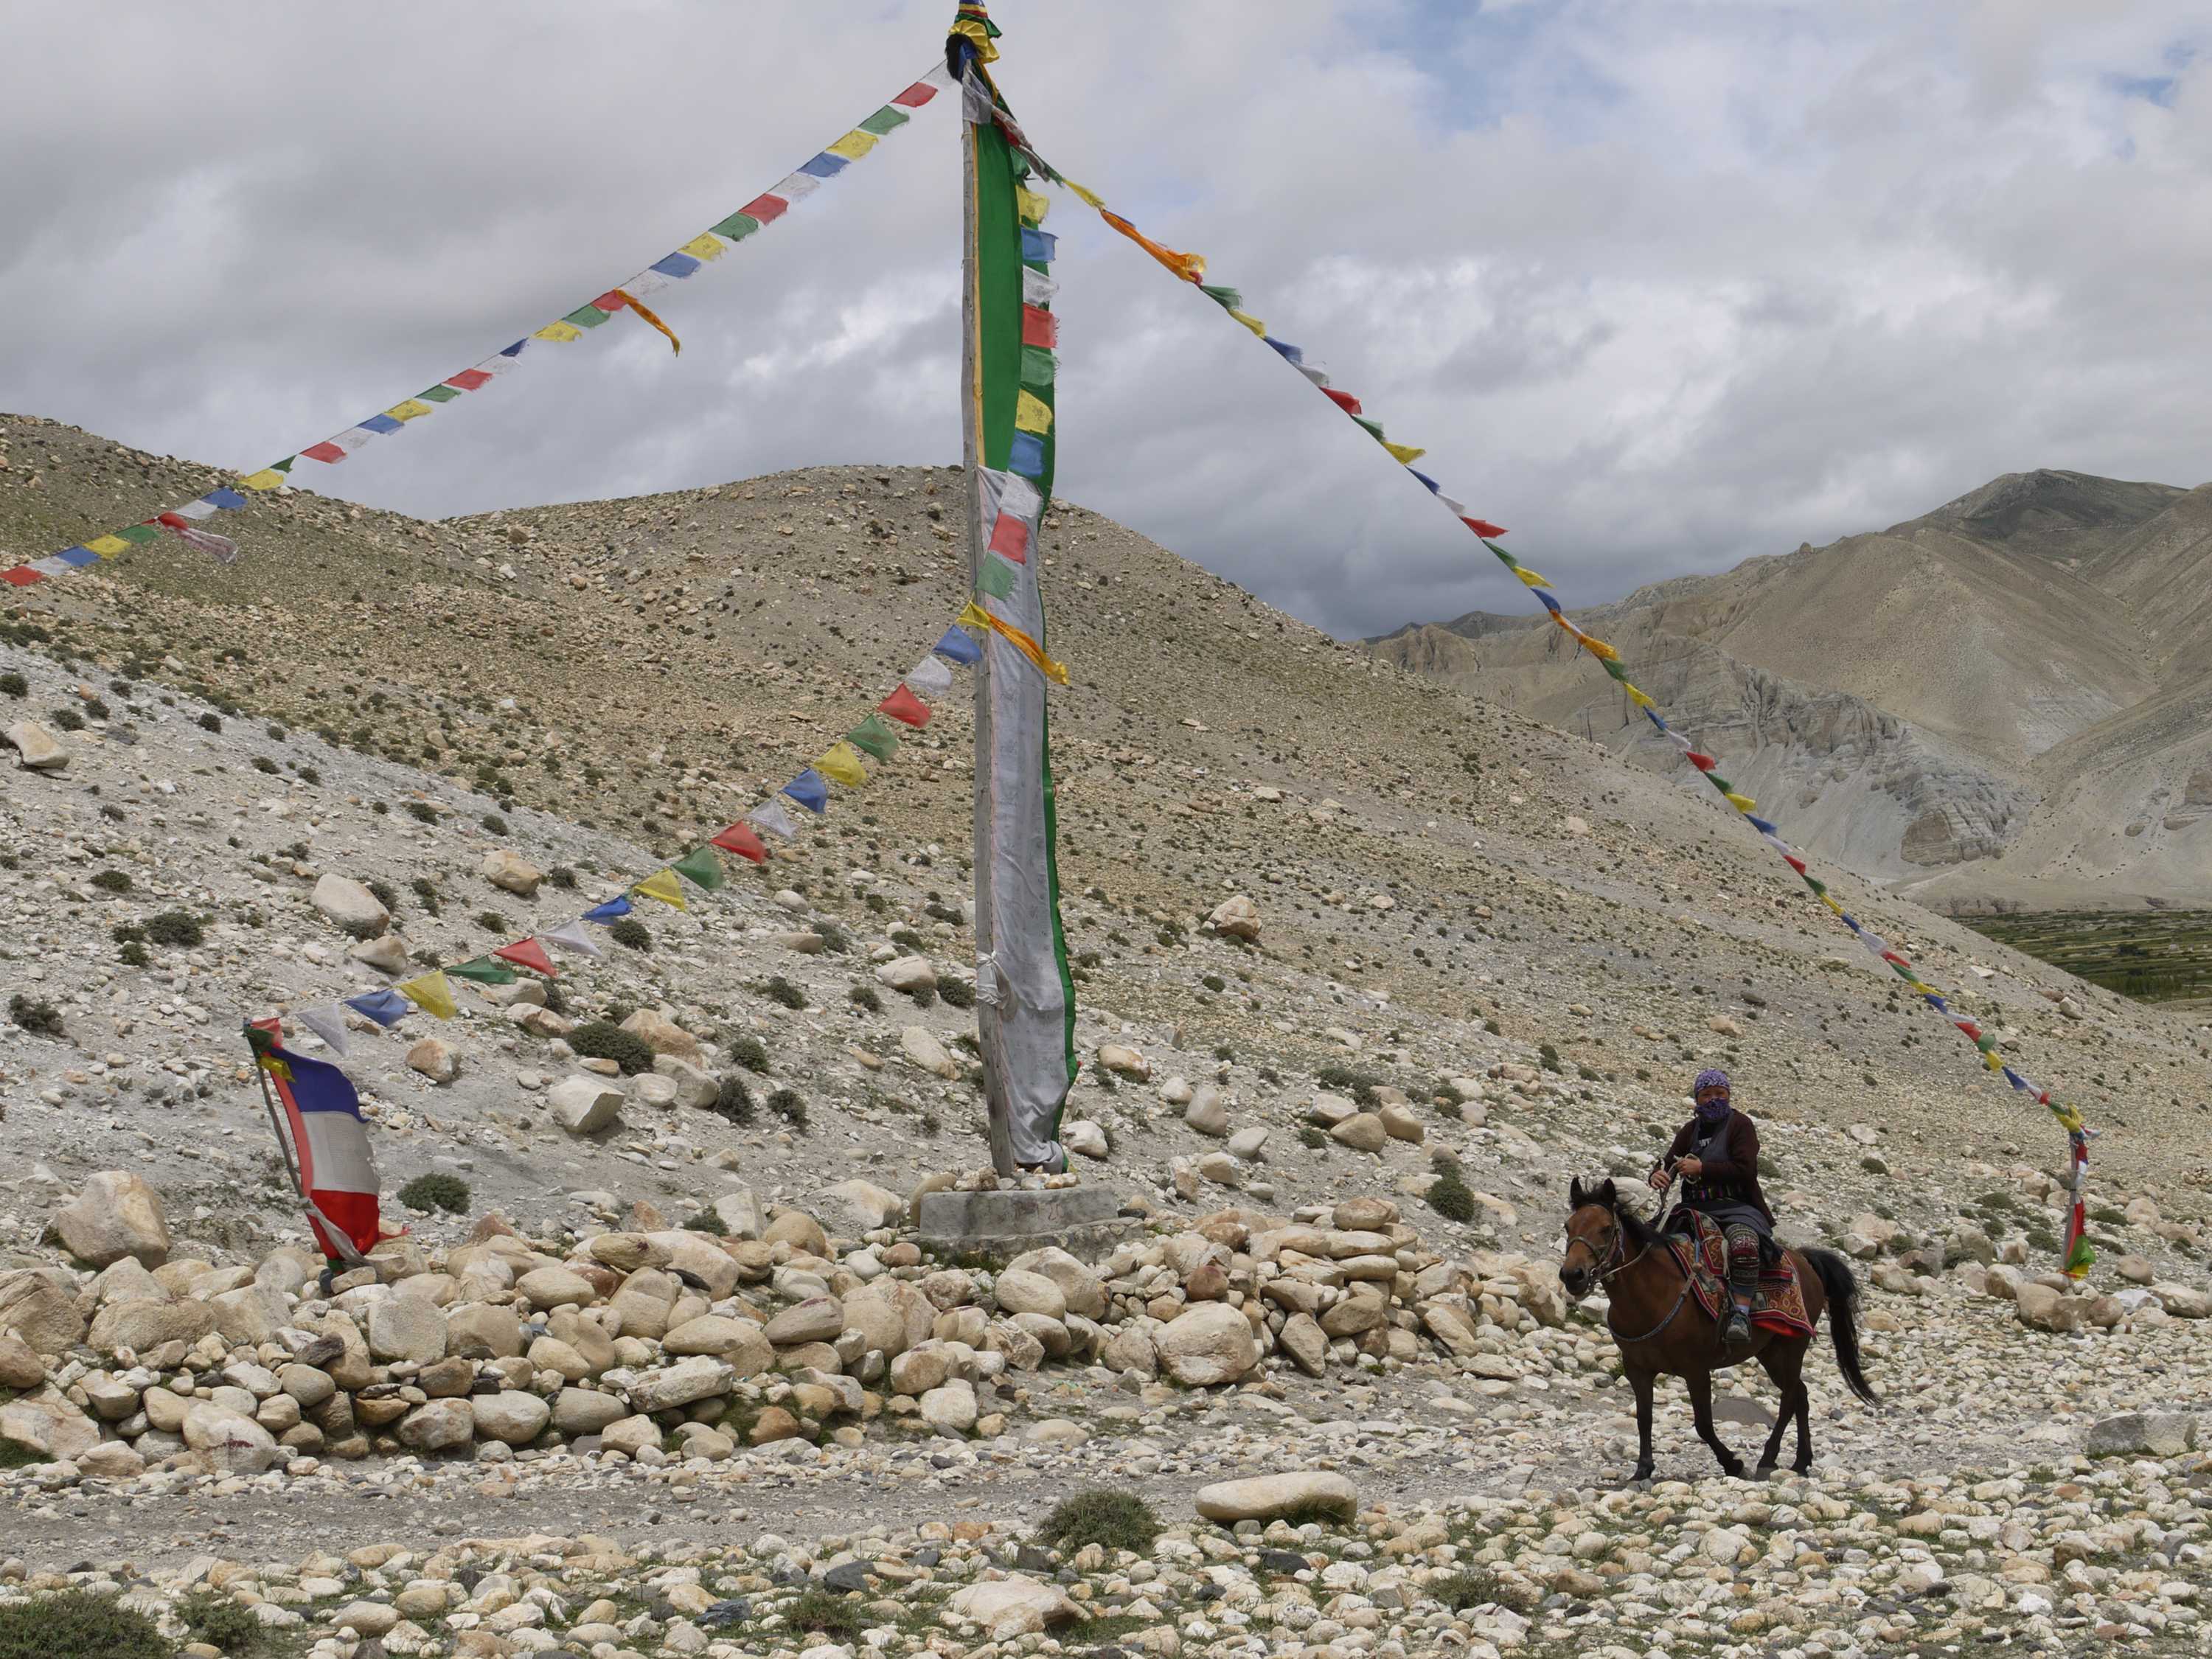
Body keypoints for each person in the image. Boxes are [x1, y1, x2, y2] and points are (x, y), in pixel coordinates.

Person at [1649, 1068, 1774, 1346]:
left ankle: (1741, 1313)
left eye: (1720, 1094)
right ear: (1697, 1099)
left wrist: (1702, 1168)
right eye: (1707, 1095)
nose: (1713, 1099)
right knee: (1648, 1241)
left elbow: (1746, 1169)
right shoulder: (1690, 1130)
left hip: (1736, 1207)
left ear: (1728, 1095)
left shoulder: (1741, 1125)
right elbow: (1669, 1161)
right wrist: (1659, 1175)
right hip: (1694, 1209)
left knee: (1743, 1246)